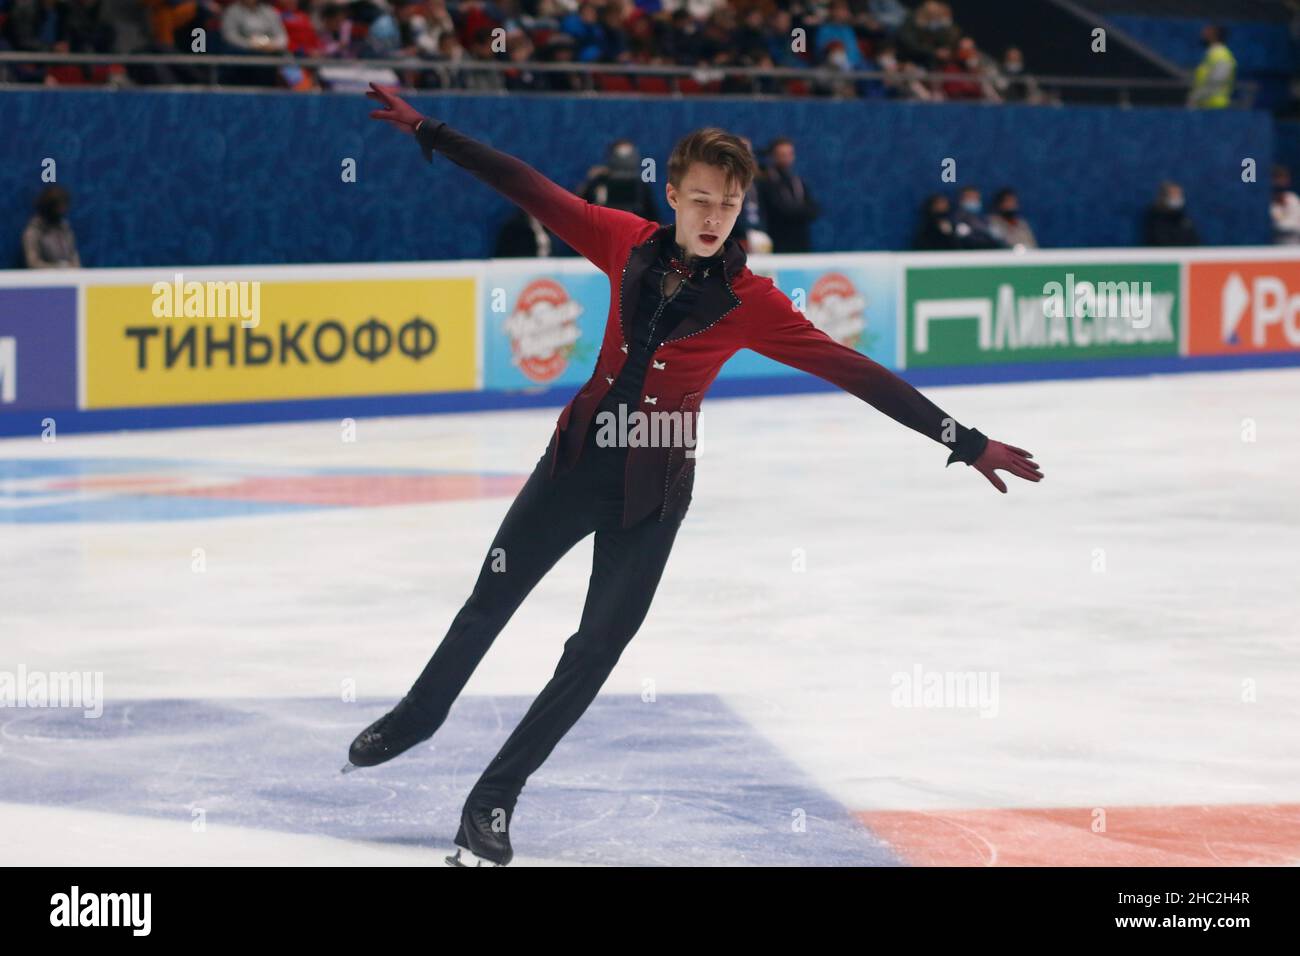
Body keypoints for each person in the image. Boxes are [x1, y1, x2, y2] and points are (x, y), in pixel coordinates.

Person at [350, 83, 1044, 867]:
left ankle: (493, 801)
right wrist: (432, 130)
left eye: (730, 203)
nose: (715, 217)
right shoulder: (621, 238)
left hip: (652, 498)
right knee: (491, 599)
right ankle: (420, 713)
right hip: (573, 464)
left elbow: (855, 370)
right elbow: (531, 188)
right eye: (702, 200)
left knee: (594, 653)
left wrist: (965, 438)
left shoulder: (754, 303)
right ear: (673, 195)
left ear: (743, 206)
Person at [757, 137, 820, 253]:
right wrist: (799, 211)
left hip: (801, 240)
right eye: (781, 154)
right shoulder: (765, 182)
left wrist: (796, 211)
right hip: (777, 241)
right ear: (772, 156)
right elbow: (778, 209)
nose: (786, 158)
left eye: (789, 154)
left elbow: (814, 209)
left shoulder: (797, 181)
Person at [23, 186, 80, 269]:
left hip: (70, 278)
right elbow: (33, 263)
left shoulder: (65, 228)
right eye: (58, 208)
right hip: (44, 280)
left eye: (64, 207)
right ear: (48, 207)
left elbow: (74, 257)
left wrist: (73, 269)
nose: (62, 211)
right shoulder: (33, 231)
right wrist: (59, 269)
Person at [1188, 24, 1235, 109]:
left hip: (1216, 108)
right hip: (1205, 107)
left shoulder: (1220, 54)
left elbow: (1217, 81)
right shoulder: (1211, 54)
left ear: (1214, 34)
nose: (1202, 34)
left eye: (1206, 31)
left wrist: (1195, 98)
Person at [1144, 181, 1200, 246]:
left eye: (1178, 195)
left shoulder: (1184, 219)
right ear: (1164, 197)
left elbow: (1195, 240)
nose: (1176, 199)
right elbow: (1160, 241)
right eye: (1173, 195)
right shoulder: (1155, 218)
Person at [1271, 165, 1300, 245]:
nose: (1281, 183)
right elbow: (1279, 226)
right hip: (1275, 244)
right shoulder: (1267, 202)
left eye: (1283, 178)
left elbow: (1295, 225)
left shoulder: (1292, 198)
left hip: (1295, 243)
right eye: (1277, 178)